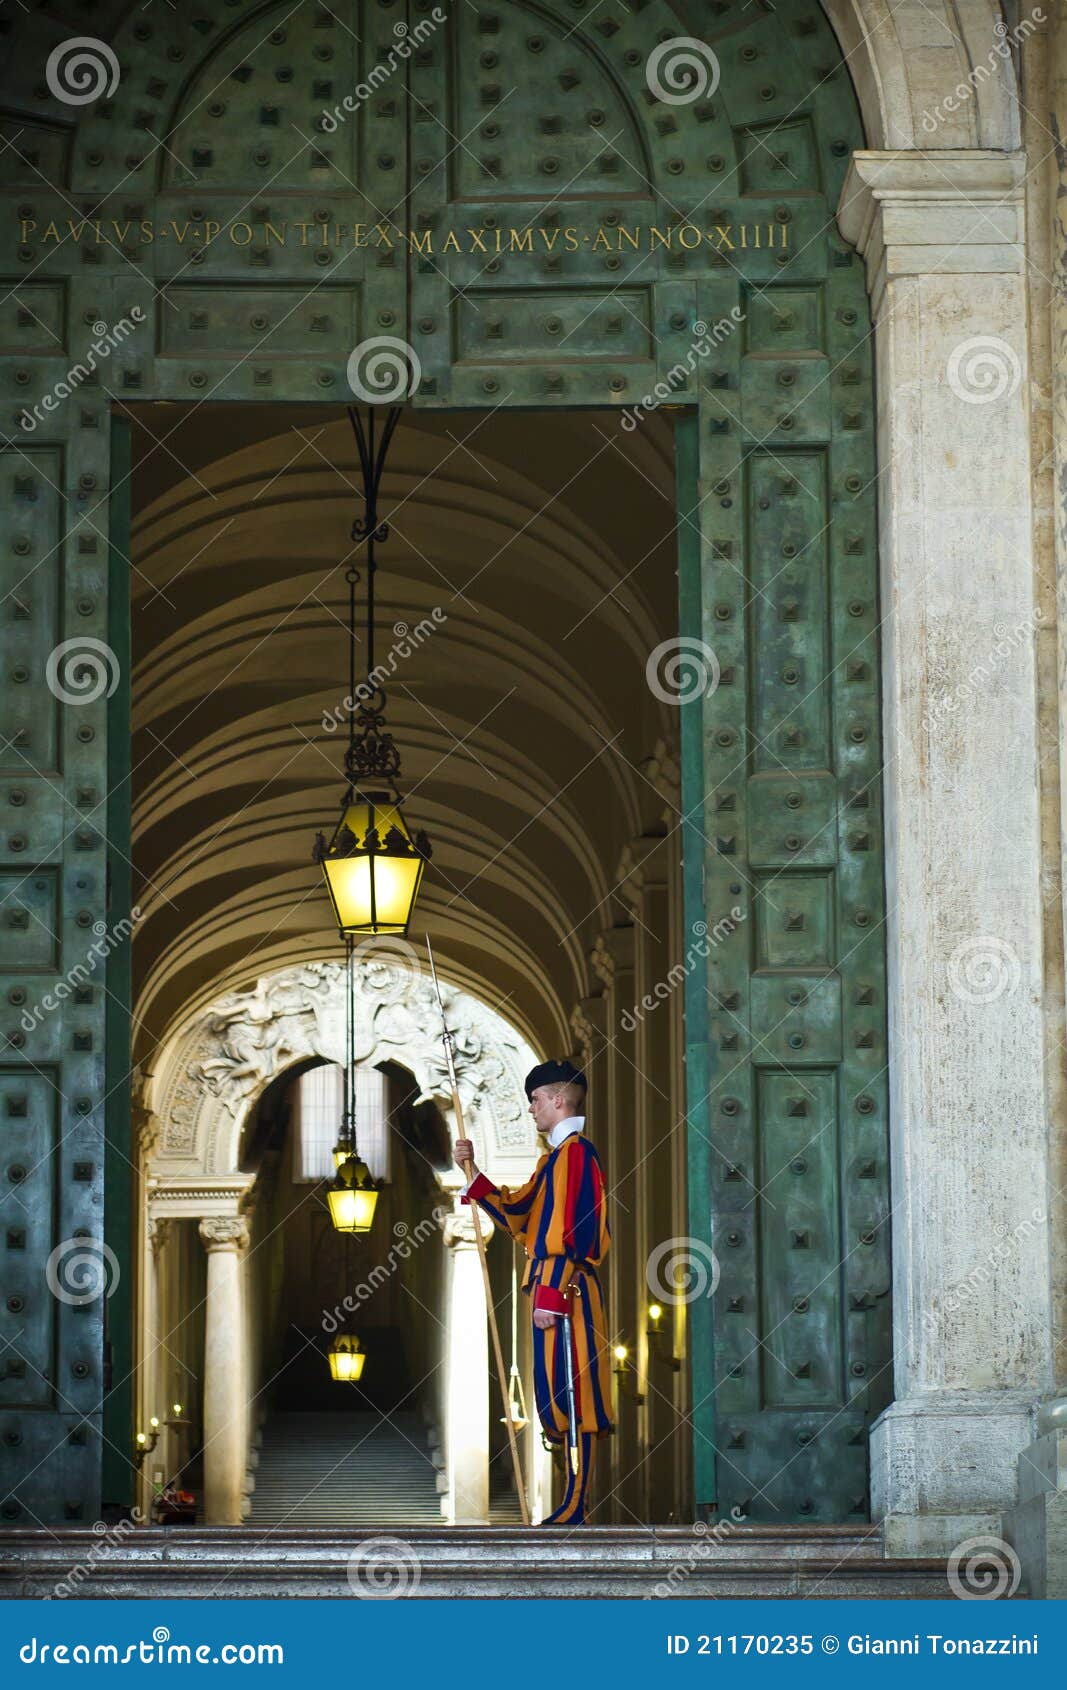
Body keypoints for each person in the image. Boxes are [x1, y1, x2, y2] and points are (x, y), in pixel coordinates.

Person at [455, 1058, 614, 1525]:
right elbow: (519, 1214)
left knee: (575, 1393)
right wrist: (472, 1170)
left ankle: (577, 1504)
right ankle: (570, 1500)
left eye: (536, 1100)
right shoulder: (554, 1159)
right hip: (550, 1285)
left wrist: (552, 1294)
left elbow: (577, 1229)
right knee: (552, 1398)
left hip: (567, 1290)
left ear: (558, 1100)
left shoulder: (578, 1155)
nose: (532, 1110)